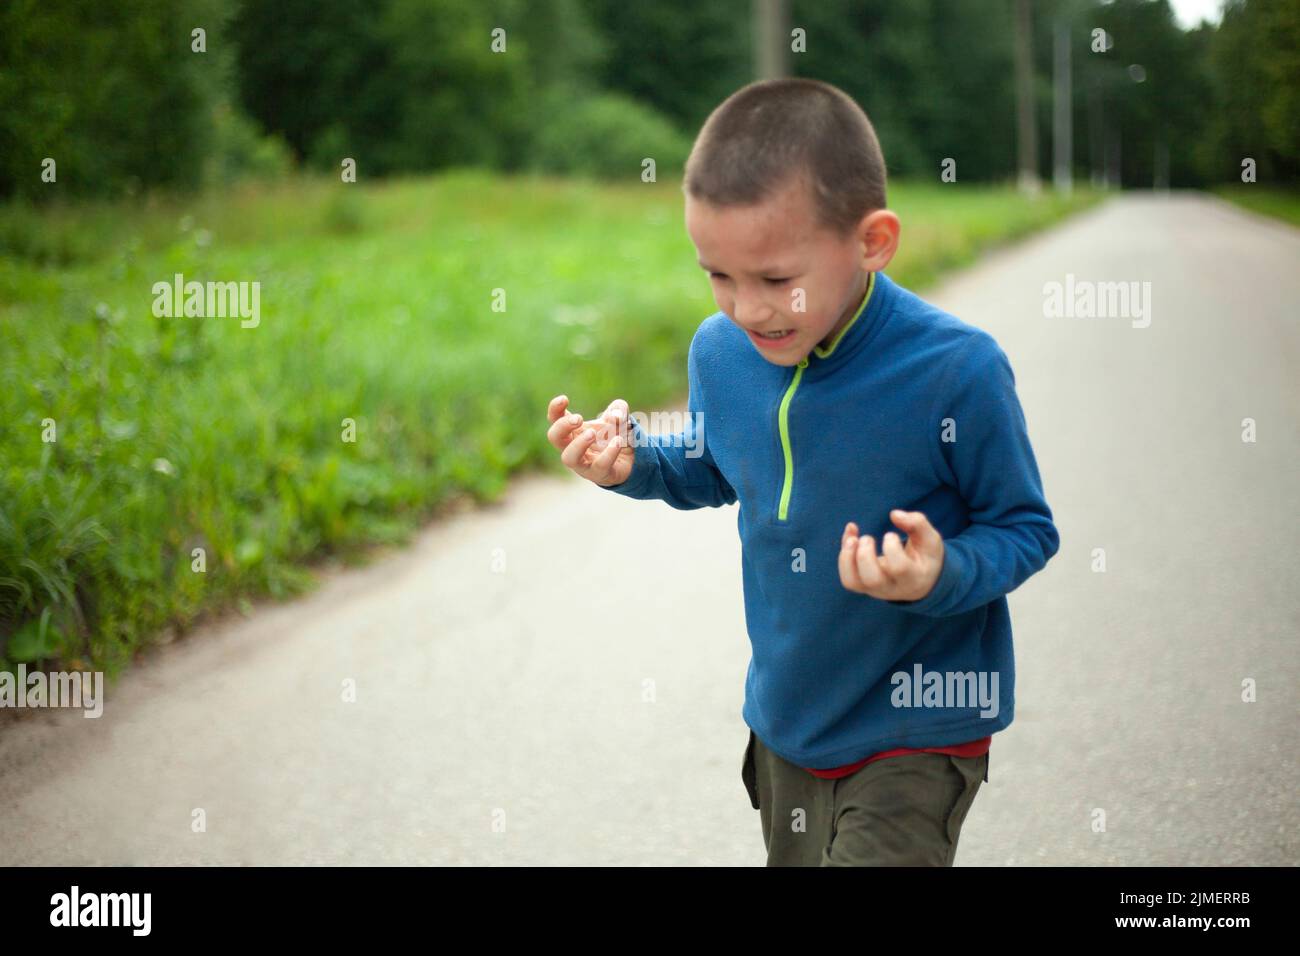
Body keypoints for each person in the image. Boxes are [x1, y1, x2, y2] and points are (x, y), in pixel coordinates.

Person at [545, 78, 1059, 866]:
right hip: (787, 722)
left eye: (777, 279)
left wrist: (941, 571)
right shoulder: (721, 352)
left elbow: (1026, 529)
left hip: (915, 728)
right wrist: (632, 465)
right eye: (718, 275)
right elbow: (719, 466)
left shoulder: (958, 371)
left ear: (873, 241)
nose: (749, 309)